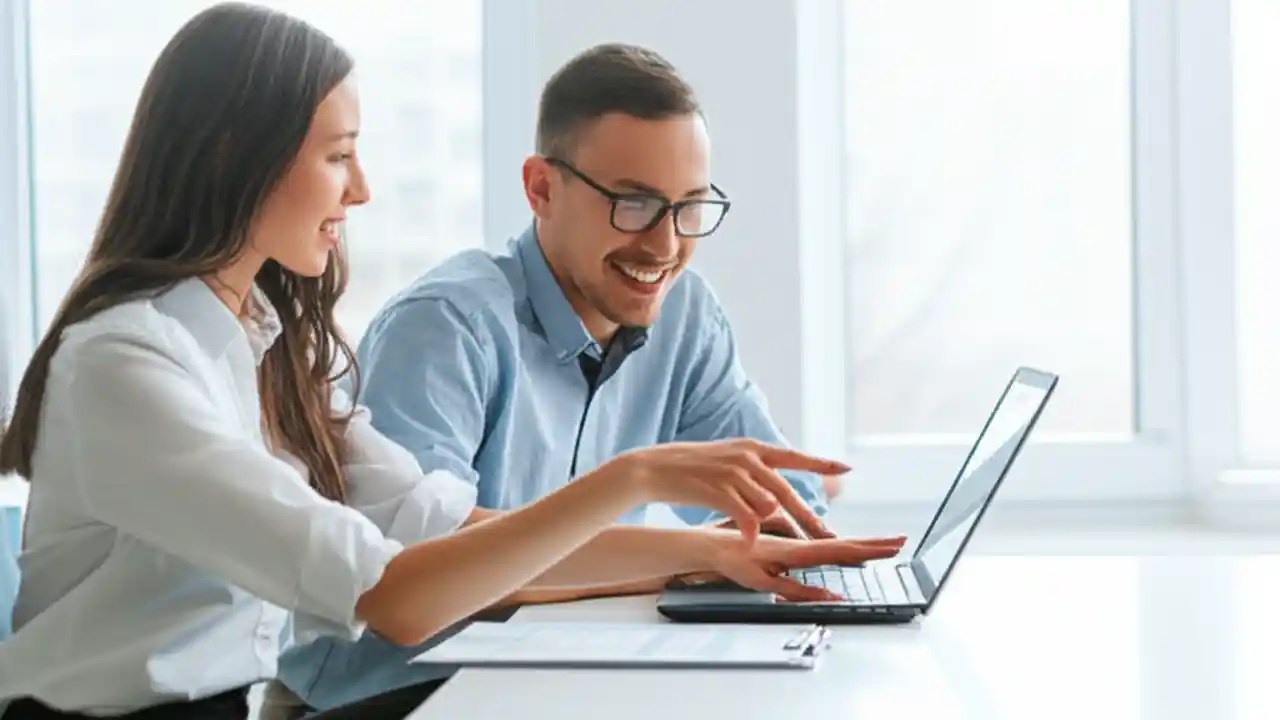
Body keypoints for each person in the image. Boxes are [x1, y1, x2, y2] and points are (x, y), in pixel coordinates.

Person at [0, 6, 904, 719]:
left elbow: (454, 538)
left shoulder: (259, 353)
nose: (361, 190)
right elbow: (396, 595)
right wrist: (636, 478)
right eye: (339, 157)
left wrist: (721, 558)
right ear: (239, 157)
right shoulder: (126, 369)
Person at [274, 42, 861, 714]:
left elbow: (782, 518)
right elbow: (425, 574)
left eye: (689, 208)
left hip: (548, 682)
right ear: (541, 188)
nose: (665, 247)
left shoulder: (687, 317)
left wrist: (763, 532)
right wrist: (702, 552)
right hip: (387, 695)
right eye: (634, 205)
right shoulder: (446, 325)